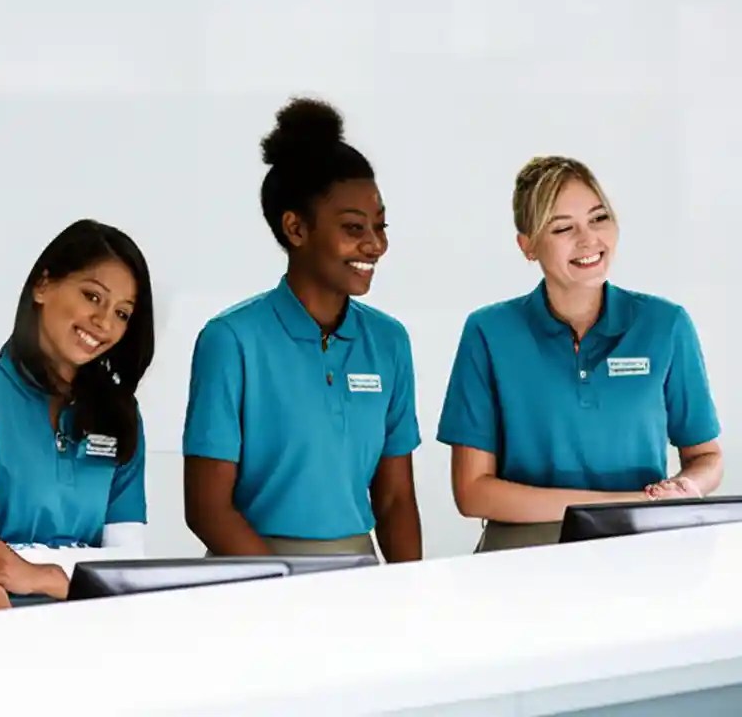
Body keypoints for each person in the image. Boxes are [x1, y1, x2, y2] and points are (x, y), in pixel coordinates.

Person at [438, 156, 725, 551]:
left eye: (598, 218)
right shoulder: (489, 332)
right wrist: (630, 504)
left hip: (641, 551)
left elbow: (706, 456)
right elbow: (472, 493)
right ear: (528, 246)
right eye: (562, 228)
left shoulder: (666, 325)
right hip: (522, 558)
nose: (589, 239)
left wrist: (687, 486)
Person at [182, 98, 422, 562]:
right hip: (253, 576)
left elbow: (394, 500)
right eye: (354, 227)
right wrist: (281, 591)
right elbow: (208, 509)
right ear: (295, 227)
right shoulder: (232, 341)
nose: (375, 244)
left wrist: (411, 598)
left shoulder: (389, 343)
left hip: (359, 574)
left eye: (380, 226)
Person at [0, 219, 154, 613]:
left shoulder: (122, 416)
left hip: (89, 629)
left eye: (122, 313)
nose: (104, 323)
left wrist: (35, 574)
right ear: (43, 285)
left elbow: (128, 566)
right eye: (92, 296)